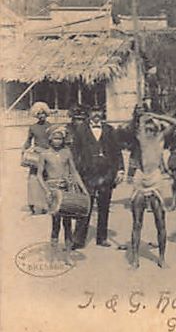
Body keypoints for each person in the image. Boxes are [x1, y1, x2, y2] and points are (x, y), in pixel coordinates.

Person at [130, 111, 176, 269]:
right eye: (147, 128)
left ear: (156, 130)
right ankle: (135, 258)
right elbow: (134, 125)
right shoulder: (140, 137)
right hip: (140, 177)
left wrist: (154, 115)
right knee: (137, 222)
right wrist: (143, 117)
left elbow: (175, 122)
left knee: (160, 221)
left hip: (155, 178)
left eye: (152, 129)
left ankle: (162, 258)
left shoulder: (160, 138)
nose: (149, 131)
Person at [72, 103, 124, 249]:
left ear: (102, 113)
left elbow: (117, 151)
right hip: (87, 174)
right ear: (89, 113)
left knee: (104, 206)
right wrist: (75, 172)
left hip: (107, 174)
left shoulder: (109, 130)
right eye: (93, 111)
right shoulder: (81, 130)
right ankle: (78, 239)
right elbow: (75, 152)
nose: (96, 114)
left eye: (99, 111)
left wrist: (120, 170)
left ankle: (102, 238)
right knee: (85, 206)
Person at [37, 126, 88, 265]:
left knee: (67, 223)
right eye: (55, 138)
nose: (57, 141)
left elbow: (74, 171)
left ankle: (67, 256)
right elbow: (39, 175)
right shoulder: (44, 154)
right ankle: (53, 256)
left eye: (60, 138)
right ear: (50, 139)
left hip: (66, 190)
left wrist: (83, 189)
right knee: (55, 224)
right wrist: (46, 190)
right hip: (53, 191)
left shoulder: (67, 152)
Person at [22, 101, 51, 214]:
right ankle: (32, 204)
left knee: (46, 179)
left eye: (43, 113)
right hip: (36, 156)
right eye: (39, 114)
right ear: (36, 115)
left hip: (48, 155)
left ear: (47, 114)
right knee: (33, 179)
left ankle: (45, 205)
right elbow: (28, 141)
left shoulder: (51, 127)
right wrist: (24, 151)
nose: (41, 116)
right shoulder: (33, 127)